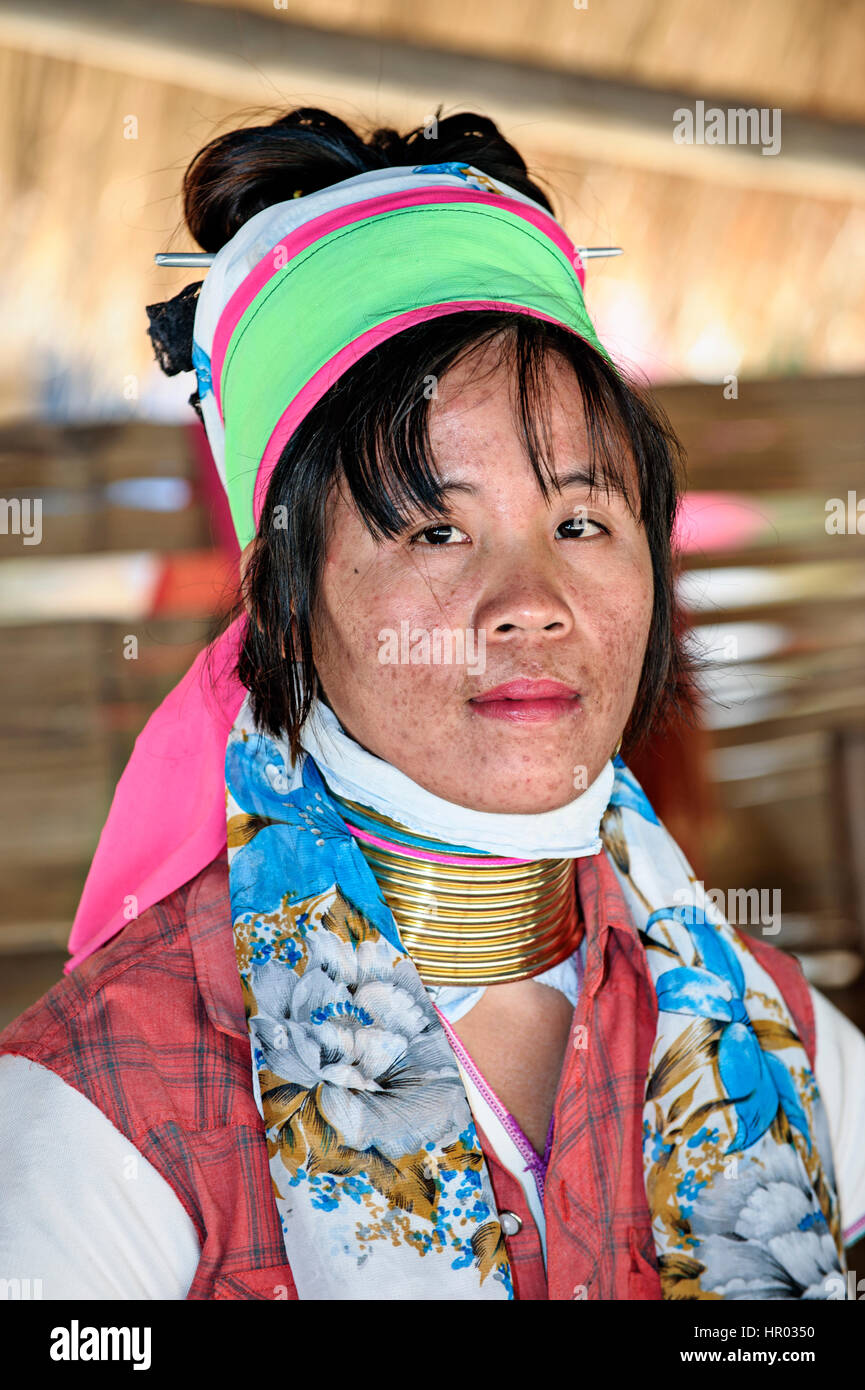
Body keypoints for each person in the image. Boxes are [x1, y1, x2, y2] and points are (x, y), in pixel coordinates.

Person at [1, 107, 863, 1302]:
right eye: (435, 527)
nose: (531, 601)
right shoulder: (102, 1107)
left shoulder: (786, 1047)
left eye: (580, 522)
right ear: (287, 598)